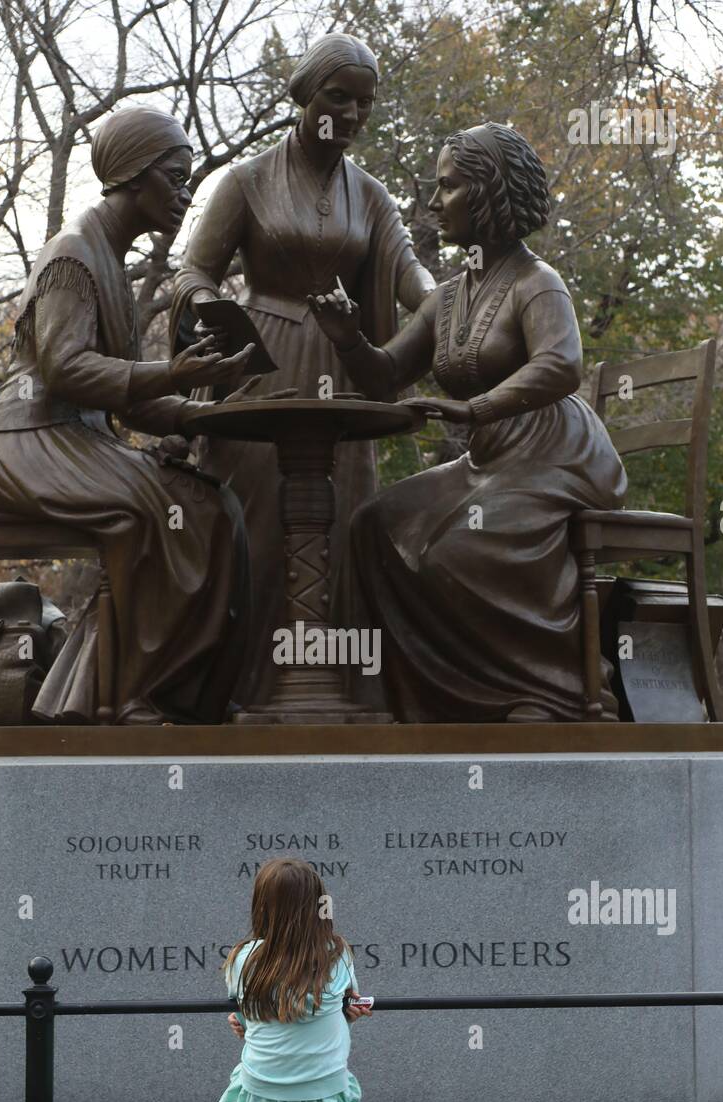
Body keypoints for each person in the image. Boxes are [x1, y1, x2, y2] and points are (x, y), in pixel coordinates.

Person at [309, 122, 629, 723]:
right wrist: (349, 341)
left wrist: (475, 408)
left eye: (448, 187)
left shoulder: (538, 284)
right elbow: (385, 375)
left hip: (555, 454)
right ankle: (413, 701)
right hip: (487, 461)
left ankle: (551, 693)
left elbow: (562, 366)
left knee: (457, 550)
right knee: (373, 525)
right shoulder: (450, 296)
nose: (434, 202)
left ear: (489, 194)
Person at [0, 106, 262, 726]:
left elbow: (132, 398)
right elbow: (66, 370)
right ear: (133, 175)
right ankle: (127, 694)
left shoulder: (110, 260)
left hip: (70, 438)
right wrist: (172, 375)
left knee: (209, 505)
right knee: (144, 510)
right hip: (26, 441)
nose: (185, 196)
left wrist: (200, 411)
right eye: (176, 178)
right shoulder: (74, 253)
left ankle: (181, 689)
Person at [170, 33, 435, 708]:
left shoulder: (370, 196)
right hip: (261, 363)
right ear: (304, 96)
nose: (348, 113)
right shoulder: (248, 180)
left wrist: (448, 302)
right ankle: (240, 695)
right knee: (256, 524)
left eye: (363, 103)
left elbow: (408, 272)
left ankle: (328, 693)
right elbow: (194, 267)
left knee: (342, 524)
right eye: (336, 96)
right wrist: (205, 301)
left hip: (342, 372)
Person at [218, 858, 371, 1102]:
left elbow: (256, 1018)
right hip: (322, 1087)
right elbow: (334, 1010)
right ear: (320, 905)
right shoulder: (337, 955)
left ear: (261, 907)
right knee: (337, 1095)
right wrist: (347, 1019)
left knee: (250, 1100)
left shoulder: (242, 959)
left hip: (262, 1084)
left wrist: (244, 1026)